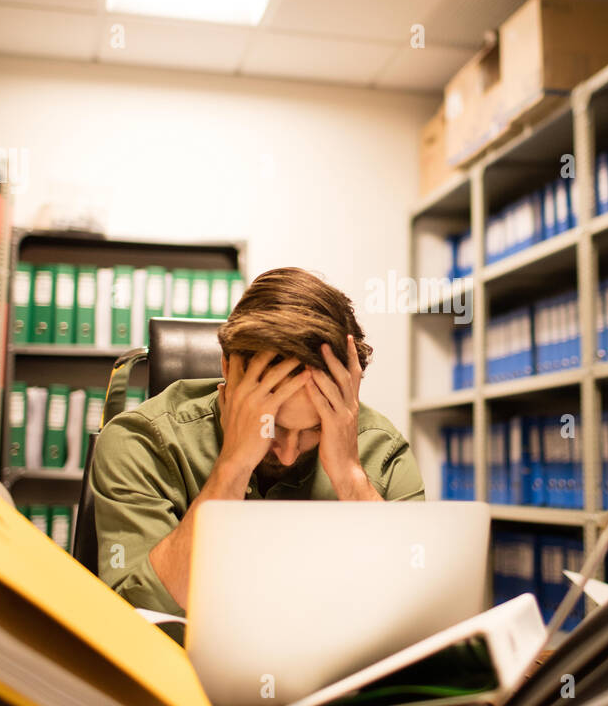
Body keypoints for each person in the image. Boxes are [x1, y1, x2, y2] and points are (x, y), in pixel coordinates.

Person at [90, 267, 424, 629]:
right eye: (274, 426)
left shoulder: (382, 449)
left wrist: (350, 476)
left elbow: (419, 609)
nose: (289, 453)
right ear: (227, 370)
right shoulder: (141, 442)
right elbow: (134, 619)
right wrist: (233, 466)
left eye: (314, 429)